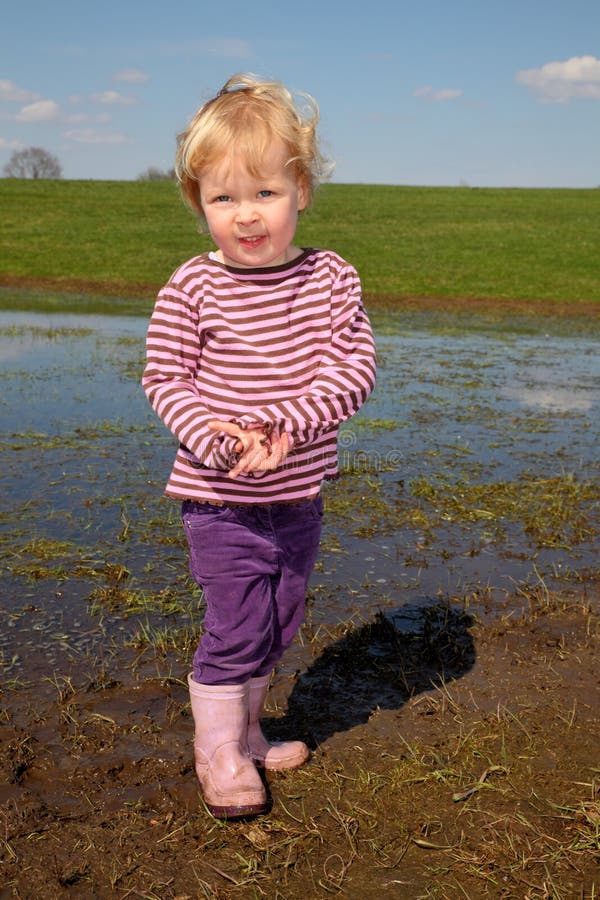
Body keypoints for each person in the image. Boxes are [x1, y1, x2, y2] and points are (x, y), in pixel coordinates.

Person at [142, 72, 376, 819]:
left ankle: (245, 732)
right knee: (236, 624)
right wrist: (214, 436)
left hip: (297, 494)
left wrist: (286, 425)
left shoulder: (330, 277)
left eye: (265, 194)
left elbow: (354, 369)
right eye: (224, 198)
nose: (246, 216)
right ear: (197, 203)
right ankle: (217, 753)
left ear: (300, 189)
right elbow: (164, 377)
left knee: (280, 620)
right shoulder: (192, 287)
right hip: (221, 502)